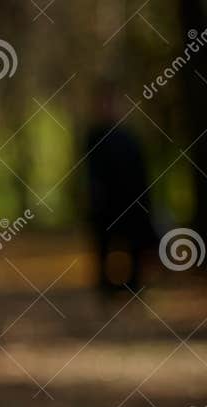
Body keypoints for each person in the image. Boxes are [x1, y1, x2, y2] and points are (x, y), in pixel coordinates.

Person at [83, 80, 158, 294]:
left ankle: (133, 284)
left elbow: (141, 174)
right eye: (101, 102)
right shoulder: (92, 137)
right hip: (103, 204)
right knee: (103, 245)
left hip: (130, 200)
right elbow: (90, 173)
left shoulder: (130, 139)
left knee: (133, 242)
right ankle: (106, 287)